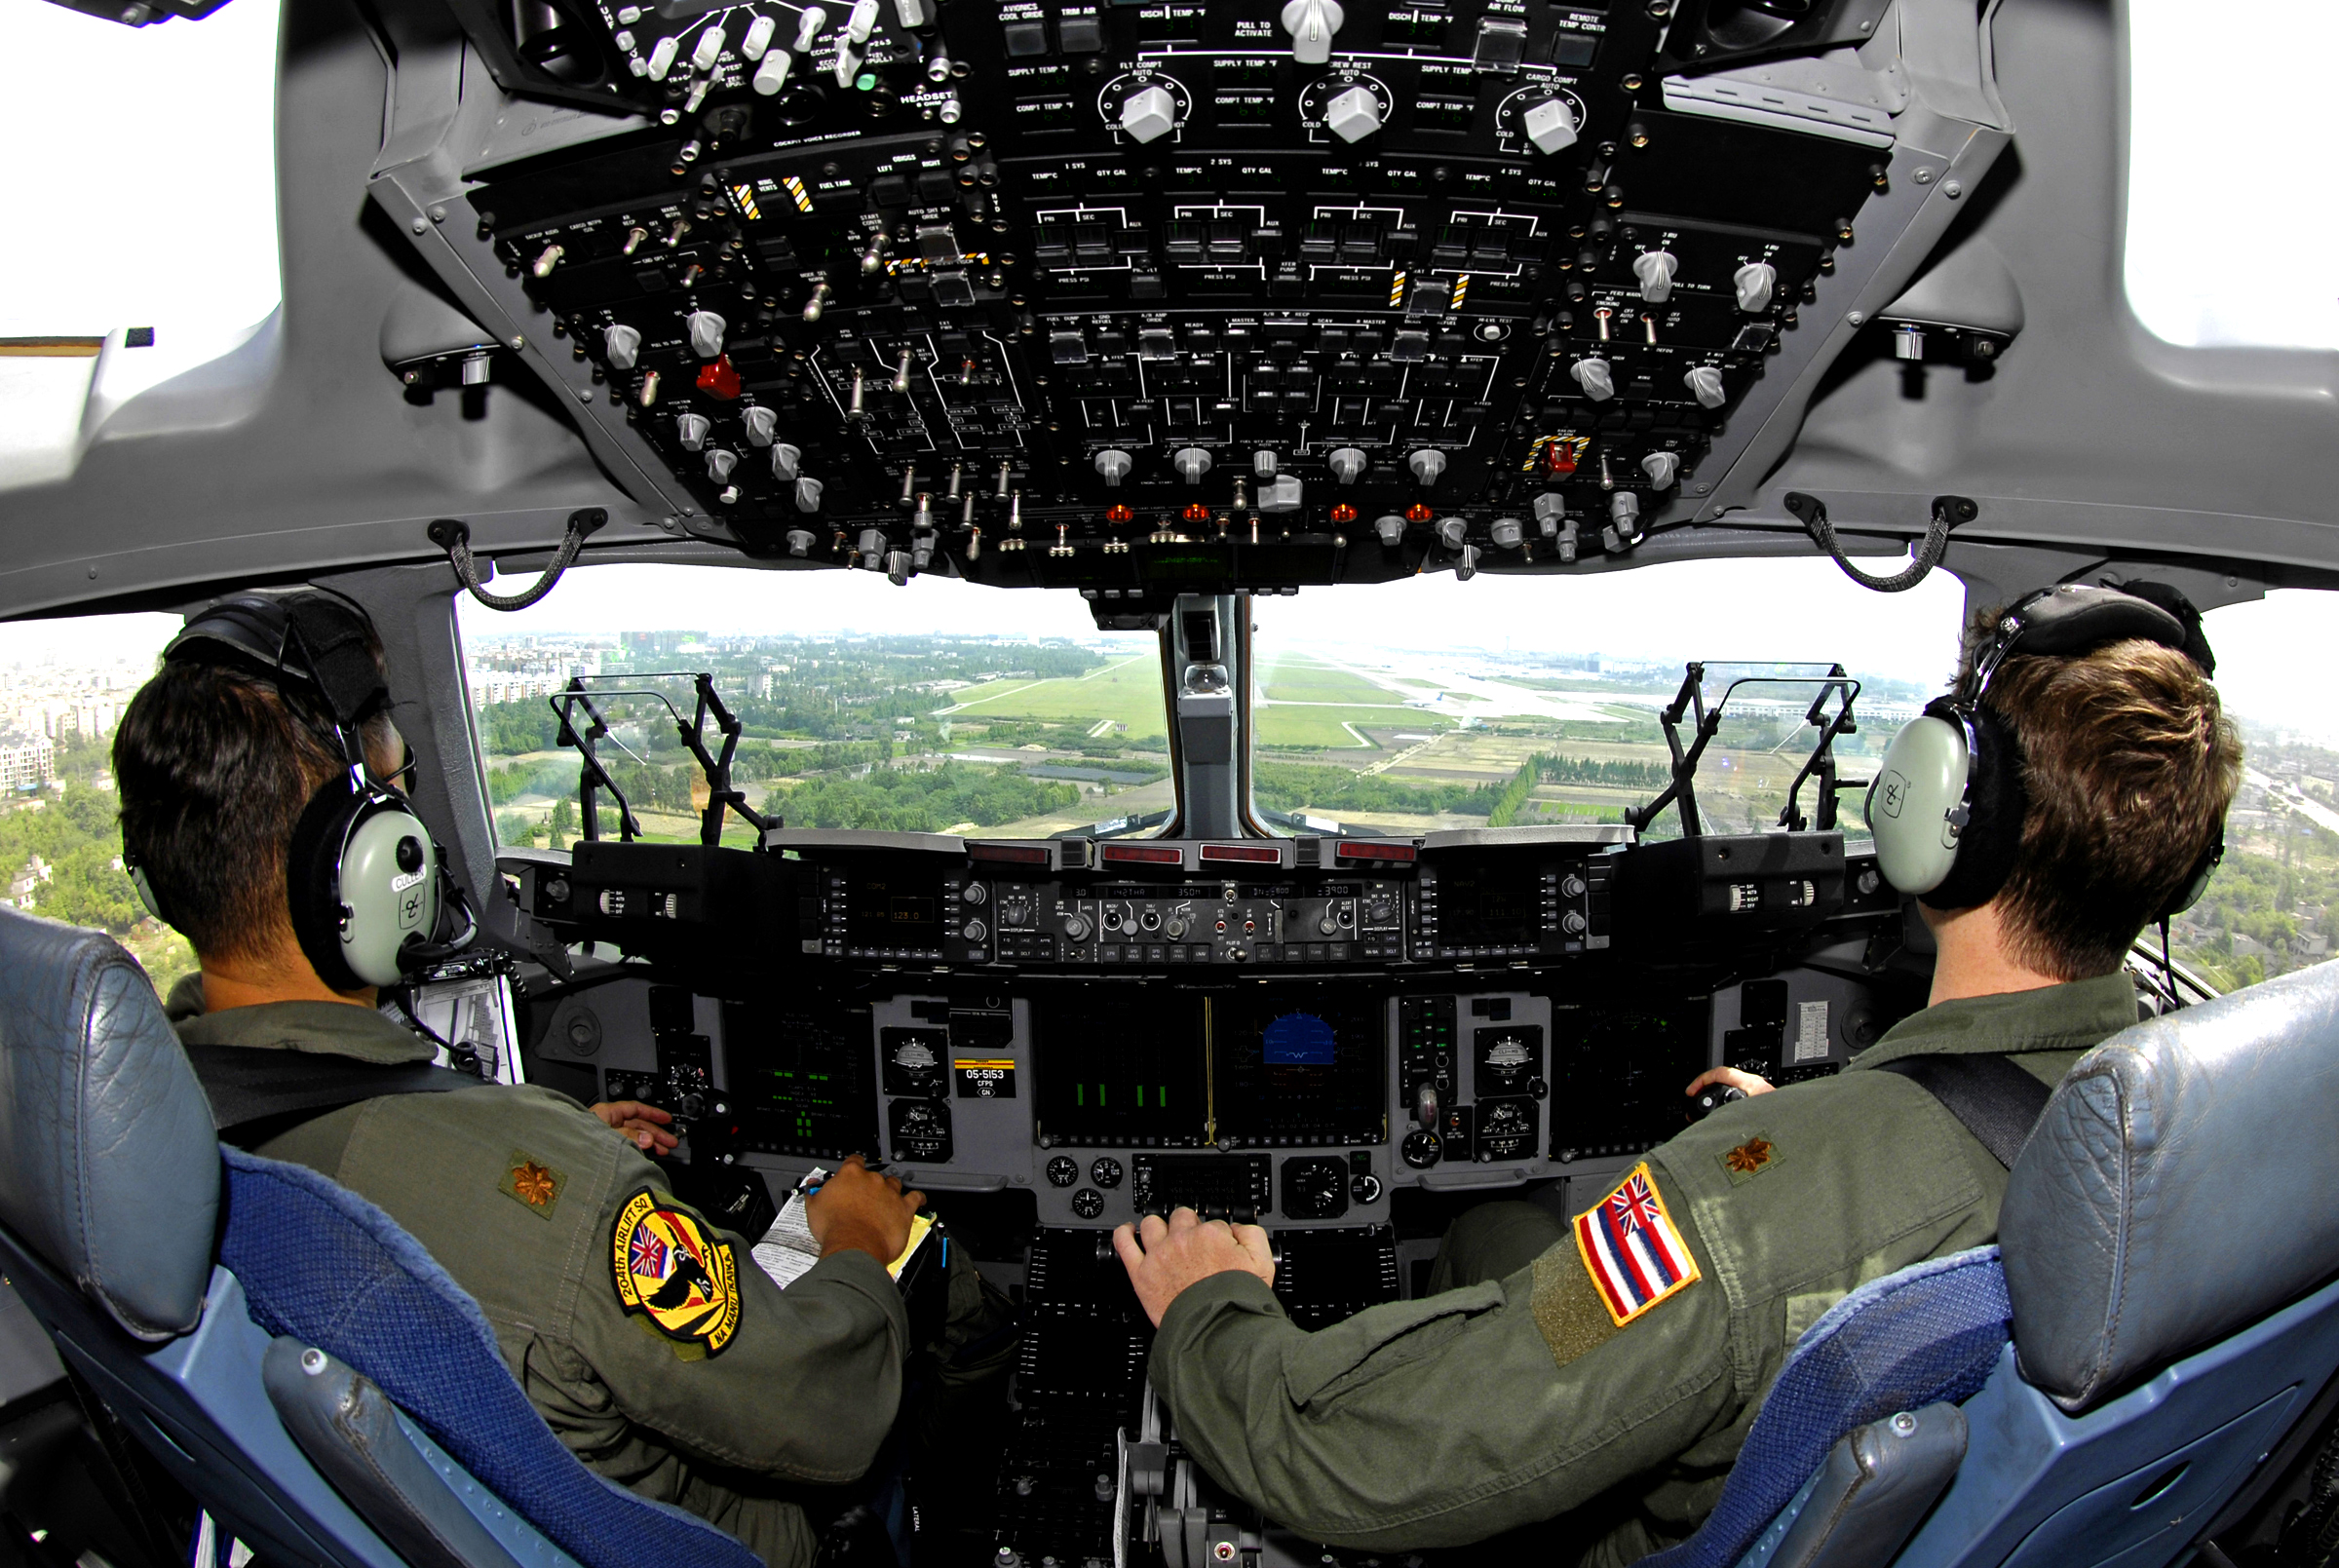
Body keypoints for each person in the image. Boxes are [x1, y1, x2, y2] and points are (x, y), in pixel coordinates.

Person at [1113, 586, 2243, 1566]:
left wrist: (1212, 1310)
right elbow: (1880, 1205)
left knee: (1486, 1293)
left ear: (1946, 815)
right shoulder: (2198, 1122)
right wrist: (1808, 1147)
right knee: (1500, 1228)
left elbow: (1349, 1459)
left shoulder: (1731, 1208)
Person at [114, 591, 957, 1568]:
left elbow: (448, 1219)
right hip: (702, 1540)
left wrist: (538, 1148)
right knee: (934, 1293)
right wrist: (854, 1246)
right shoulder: (564, 1195)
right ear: (361, 869)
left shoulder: (140, 1124)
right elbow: (830, 1410)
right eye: (399, 798)